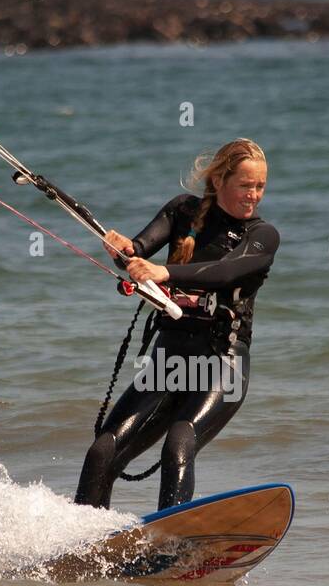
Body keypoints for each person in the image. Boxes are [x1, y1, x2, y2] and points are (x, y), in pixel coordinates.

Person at [75, 138, 279, 511]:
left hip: (223, 364)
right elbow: (138, 253)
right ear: (219, 181)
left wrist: (163, 271)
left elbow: (225, 270)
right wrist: (127, 250)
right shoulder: (182, 211)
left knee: (179, 443)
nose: (254, 195)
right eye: (245, 185)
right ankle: (81, 542)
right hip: (169, 362)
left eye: (260, 186)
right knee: (103, 451)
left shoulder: (262, 236)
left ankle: (173, 542)